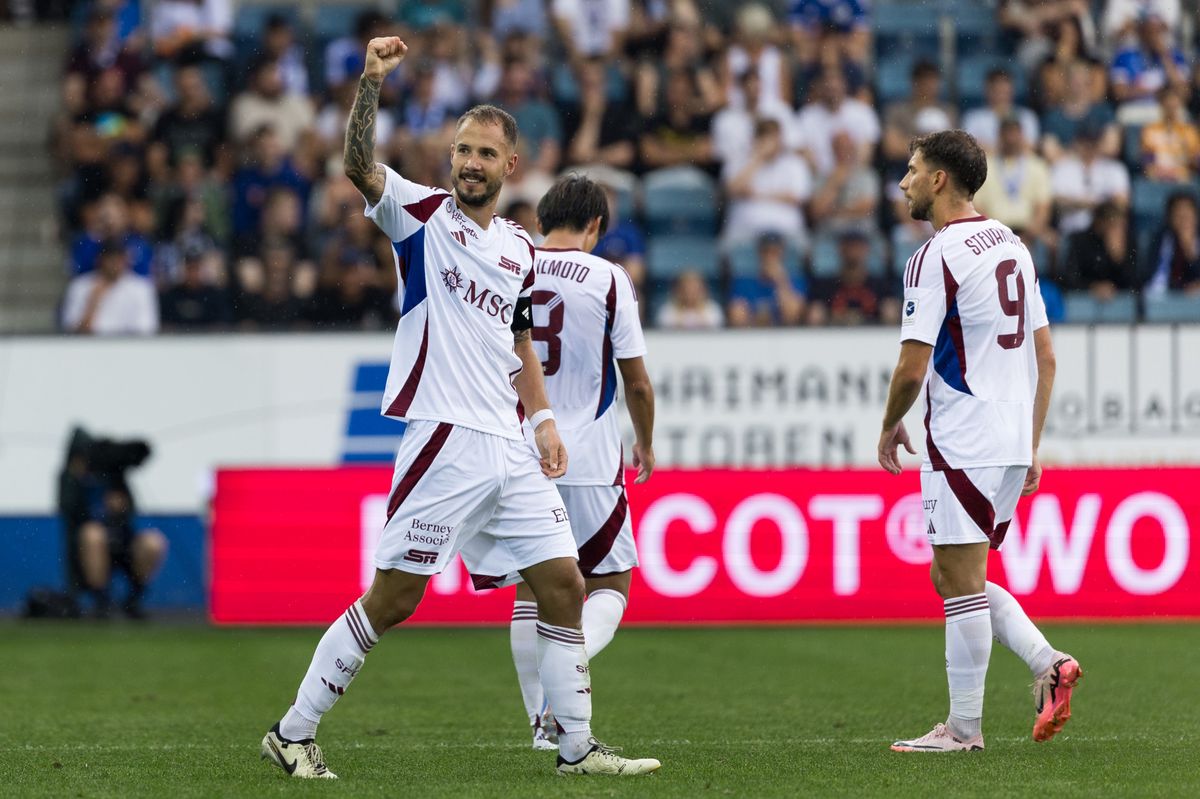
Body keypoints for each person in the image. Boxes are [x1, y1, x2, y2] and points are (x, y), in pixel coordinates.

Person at [259, 36, 659, 780]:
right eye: (461, 149)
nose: (469, 162)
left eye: (483, 153)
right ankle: (293, 728)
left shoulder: (517, 249)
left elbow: (519, 342)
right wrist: (371, 84)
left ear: (511, 166)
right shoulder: (419, 215)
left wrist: (541, 421)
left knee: (566, 584)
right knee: (396, 597)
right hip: (443, 435)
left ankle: (576, 746)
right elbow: (357, 167)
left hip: (508, 445)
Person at [882, 130, 1081, 753]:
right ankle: (1047, 662)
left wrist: (889, 422)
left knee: (960, 582)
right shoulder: (1013, 244)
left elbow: (913, 367)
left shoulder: (936, 254)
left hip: (964, 437)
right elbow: (1046, 358)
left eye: (913, 170)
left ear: (940, 179)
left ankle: (964, 729)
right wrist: (1033, 444)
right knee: (953, 575)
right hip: (1011, 441)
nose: (904, 182)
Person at [509, 174, 656, 750]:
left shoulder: (513, 263)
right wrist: (645, 440)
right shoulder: (609, 277)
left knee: (531, 585)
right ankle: (554, 698)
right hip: (590, 455)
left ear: (544, 218)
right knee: (612, 585)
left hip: (522, 447)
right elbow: (636, 382)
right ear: (595, 225)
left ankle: (538, 727)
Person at [58, 428, 167, 619]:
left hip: (121, 538)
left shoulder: (114, 475)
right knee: (94, 534)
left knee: (153, 541)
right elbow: (68, 510)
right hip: (87, 545)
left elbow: (131, 510)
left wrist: (120, 506)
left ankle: (133, 598)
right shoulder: (70, 479)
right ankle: (102, 601)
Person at [61, 239, 159, 335]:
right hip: (90, 347)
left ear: (126, 259)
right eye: (110, 258)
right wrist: (93, 302)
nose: (114, 263)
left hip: (129, 348)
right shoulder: (80, 286)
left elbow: (146, 330)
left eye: (119, 258)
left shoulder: (141, 288)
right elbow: (71, 333)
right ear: (100, 260)